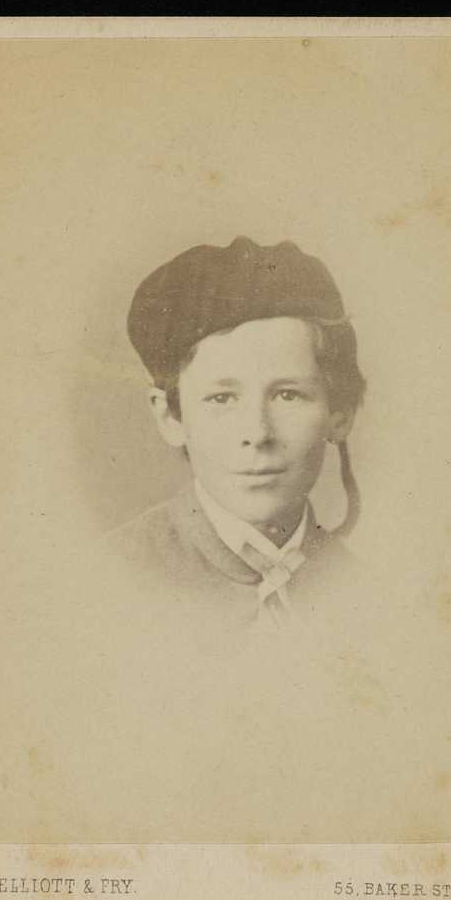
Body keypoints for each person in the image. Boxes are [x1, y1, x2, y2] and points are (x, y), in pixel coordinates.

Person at [105, 236, 366, 634]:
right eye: (222, 398)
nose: (257, 433)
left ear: (340, 414)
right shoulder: (109, 580)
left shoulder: (371, 594)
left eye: (287, 394)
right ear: (169, 417)